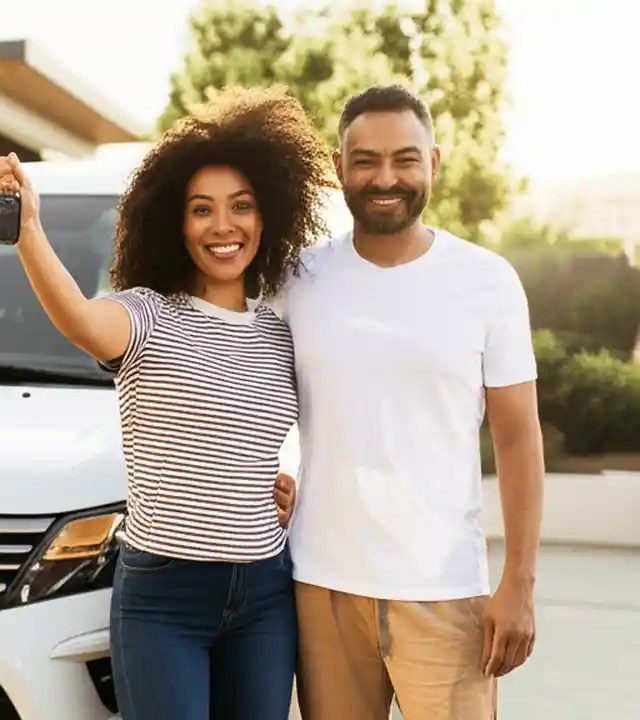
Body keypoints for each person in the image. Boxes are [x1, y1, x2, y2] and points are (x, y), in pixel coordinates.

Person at [0, 86, 333, 720]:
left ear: (267, 217)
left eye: (241, 206)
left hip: (264, 593)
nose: (223, 226)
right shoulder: (147, 314)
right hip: (165, 597)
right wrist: (28, 231)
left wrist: (296, 485)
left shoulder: (280, 330)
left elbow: (303, 428)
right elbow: (82, 320)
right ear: (176, 223)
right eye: (201, 210)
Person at [272, 84, 545, 719]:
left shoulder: (487, 282)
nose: (385, 178)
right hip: (322, 587)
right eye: (365, 160)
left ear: (434, 163)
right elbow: (254, 392)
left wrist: (520, 583)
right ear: (339, 167)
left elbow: (517, 438)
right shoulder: (297, 279)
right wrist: (272, 473)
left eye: (405, 159)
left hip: (446, 594)